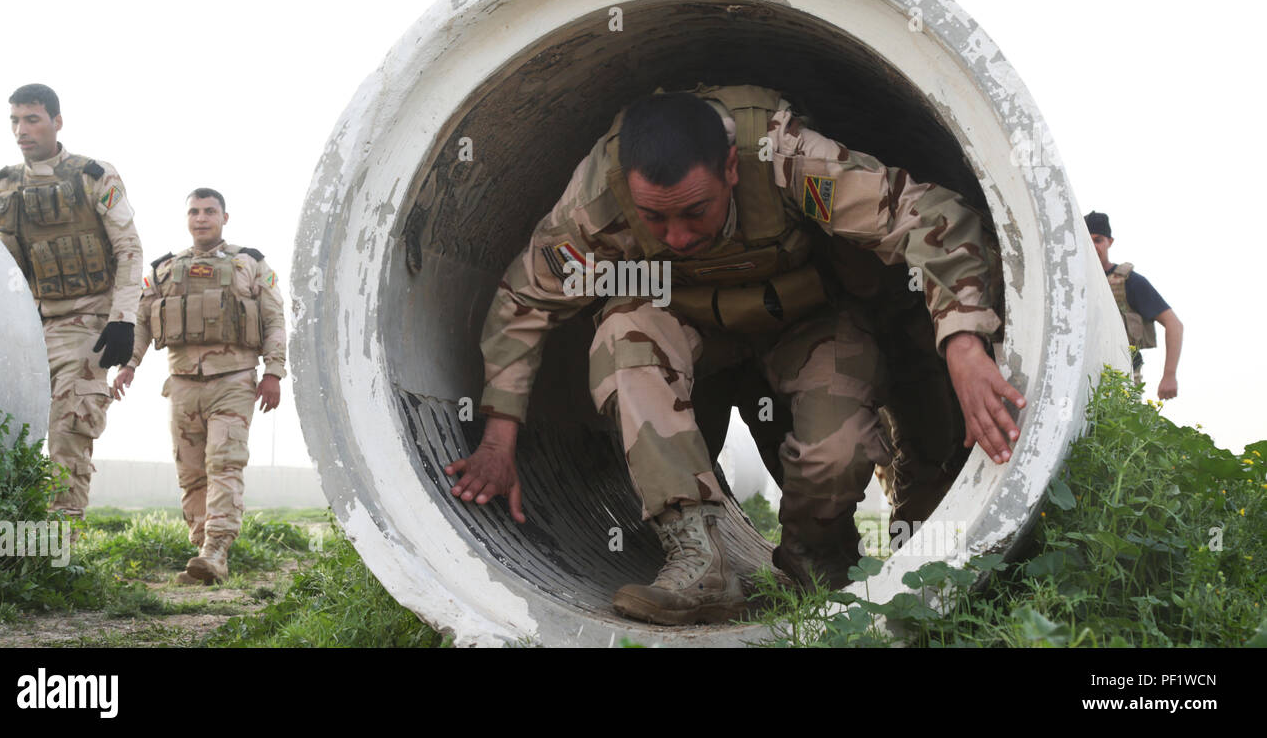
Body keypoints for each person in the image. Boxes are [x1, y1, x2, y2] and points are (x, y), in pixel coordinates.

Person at [446, 86, 1024, 625]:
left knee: (836, 450)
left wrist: (965, 346)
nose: (675, 236)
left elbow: (930, 217)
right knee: (622, 333)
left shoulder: (782, 154)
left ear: (730, 169)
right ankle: (698, 560)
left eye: (694, 211)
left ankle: (813, 559)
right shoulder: (597, 198)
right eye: (656, 218)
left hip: (808, 318)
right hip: (687, 320)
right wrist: (499, 440)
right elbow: (525, 297)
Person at [112, 188, 286, 584]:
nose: (201, 218)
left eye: (210, 211)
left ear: (225, 218)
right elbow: (140, 321)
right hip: (182, 384)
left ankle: (217, 549)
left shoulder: (251, 264)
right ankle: (202, 550)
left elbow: (275, 319)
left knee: (224, 464)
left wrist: (274, 372)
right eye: (194, 211)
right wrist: (129, 365)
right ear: (186, 218)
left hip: (234, 380)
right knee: (190, 472)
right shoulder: (164, 269)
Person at [0, 84, 143, 520]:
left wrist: (122, 320)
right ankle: (10, 540)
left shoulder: (94, 176)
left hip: (88, 322)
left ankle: (60, 549)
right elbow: (7, 272)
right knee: (9, 432)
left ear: (57, 121)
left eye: (32, 119)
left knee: (69, 429)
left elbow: (129, 249)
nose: (22, 130)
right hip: (34, 327)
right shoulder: (4, 187)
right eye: (15, 121)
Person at [1085, 211, 1182, 399]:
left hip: (1122, 379)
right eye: (1087, 241)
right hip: (1083, 377)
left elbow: (1174, 325)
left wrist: (1169, 376)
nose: (1093, 246)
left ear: (1109, 242)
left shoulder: (1129, 281)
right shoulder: (1072, 282)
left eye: (1098, 240)